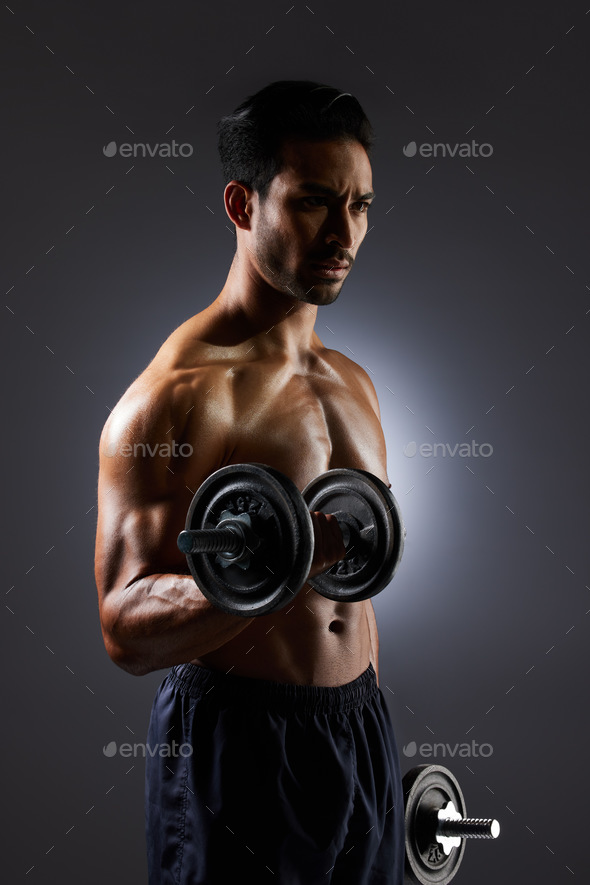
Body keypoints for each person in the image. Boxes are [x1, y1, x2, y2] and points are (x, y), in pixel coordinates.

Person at [95, 80, 404, 885]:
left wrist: (372, 748)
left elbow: (356, 595)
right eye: (313, 202)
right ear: (242, 204)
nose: (345, 233)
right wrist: (266, 577)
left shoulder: (355, 383)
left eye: (362, 205)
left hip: (360, 731)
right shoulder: (176, 397)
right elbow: (124, 626)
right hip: (239, 746)